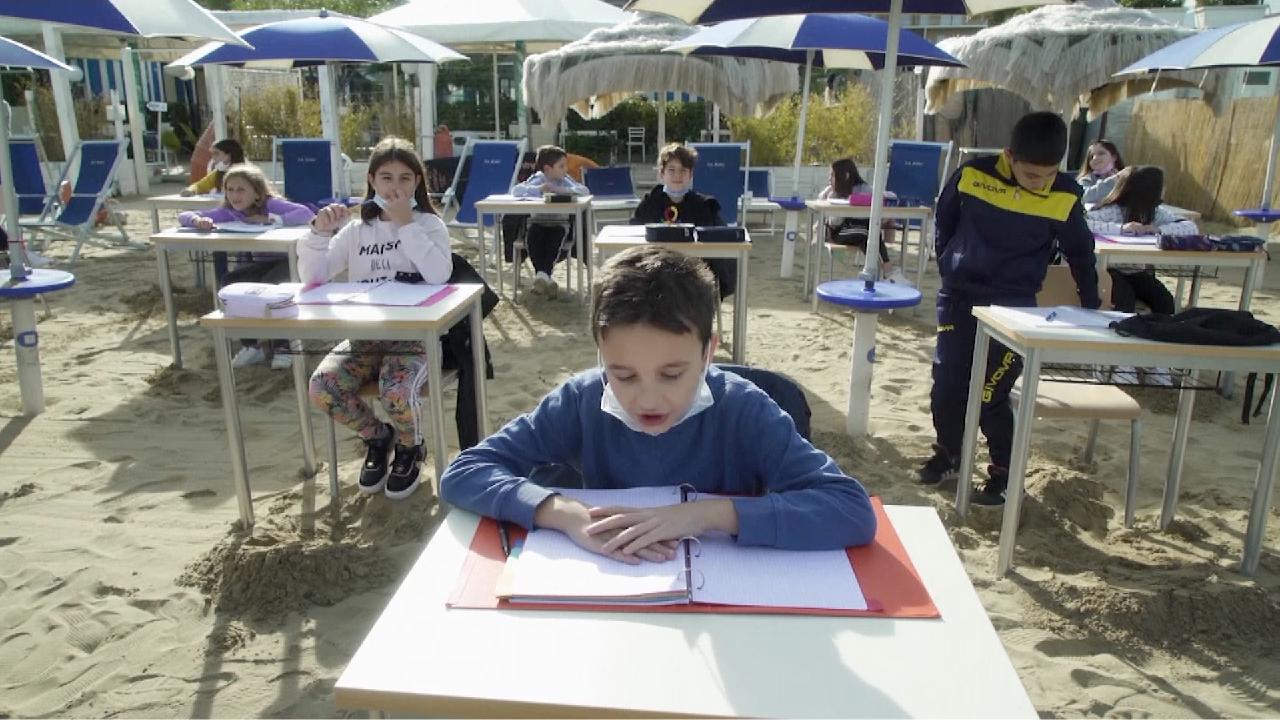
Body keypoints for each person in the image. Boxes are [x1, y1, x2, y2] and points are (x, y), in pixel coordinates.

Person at [440, 245, 877, 561]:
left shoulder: (745, 409)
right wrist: (563, 513)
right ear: (600, 356)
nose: (647, 398)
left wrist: (706, 515)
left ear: (709, 352)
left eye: (672, 374)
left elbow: (851, 510)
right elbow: (464, 471)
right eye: (623, 374)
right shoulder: (580, 400)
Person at [919, 111, 1101, 506]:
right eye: (1032, 175)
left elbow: (1081, 253)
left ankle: (1002, 473)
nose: (1040, 183)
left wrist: (1092, 306)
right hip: (960, 297)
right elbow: (944, 218)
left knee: (989, 394)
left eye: (1048, 175)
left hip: (1017, 307)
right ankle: (948, 454)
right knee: (948, 385)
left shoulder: (1065, 193)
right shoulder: (973, 174)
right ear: (1009, 156)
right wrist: (948, 263)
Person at [298, 136, 452, 500]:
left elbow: (438, 275)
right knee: (322, 386)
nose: (395, 187)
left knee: (394, 391)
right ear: (371, 181)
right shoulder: (356, 230)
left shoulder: (429, 225)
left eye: (404, 178)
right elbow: (314, 276)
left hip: (414, 337)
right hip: (363, 337)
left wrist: (405, 225)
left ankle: (410, 446)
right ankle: (378, 437)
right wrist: (318, 235)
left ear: (417, 182)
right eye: (386, 178)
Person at [179, 163, 315, 370]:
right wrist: (198, 221)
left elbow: (305, 214)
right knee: (231, 282)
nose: (235, 195)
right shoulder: (230, 212)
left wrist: (271, 219)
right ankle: (252, 346)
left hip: (289, 261)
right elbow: (184, 216)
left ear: (257, 192)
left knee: (273, 288)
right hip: (261, 263)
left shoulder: (272, 204)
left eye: (241, 189)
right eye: (230, 190)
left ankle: (283, 346)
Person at [630, 143, 737, 300]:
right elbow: (634, 236)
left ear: (691, 174)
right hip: (655, 276)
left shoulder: (705, 206)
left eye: (683, 170)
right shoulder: (649, 203)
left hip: (694, 277)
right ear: (661, 174)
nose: (677, 176)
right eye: (671, 170)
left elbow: (719, 245)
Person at [509, 145, 590, 298]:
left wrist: (563, 191)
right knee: (533, 241)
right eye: (561, 166)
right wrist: (539, 189)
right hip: (537, 222)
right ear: (548, 168)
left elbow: (584, 190)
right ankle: (546, 278)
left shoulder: (565, 180)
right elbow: (516, 191)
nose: (565, 169)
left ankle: (541, 277)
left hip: (559, 224)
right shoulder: (538, 178)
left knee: (554, 244)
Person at [817, 157, 902, 282]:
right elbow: (833, 220)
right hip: (839, 232)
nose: (829, 179)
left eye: (833, 175)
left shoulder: (863, 188)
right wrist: (832, 195)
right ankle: (886, 270)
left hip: (860, 229)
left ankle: (877, 272)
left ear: (845, 176)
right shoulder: (832, 193)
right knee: (868, 233)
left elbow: (882, 201)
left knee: (870, 230)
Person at [1077, 139, 1124, 206]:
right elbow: (1084, 196)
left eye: (1101, 153)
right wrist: (1113, 181)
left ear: (1114, 157)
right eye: (1091, 156)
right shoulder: (1087, 179)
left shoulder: (1126, 176)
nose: (1095, 158)